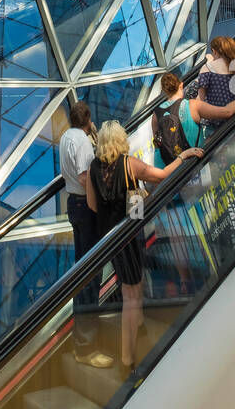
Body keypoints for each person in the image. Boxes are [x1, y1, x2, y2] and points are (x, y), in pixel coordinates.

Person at [85, 119, 203, 371]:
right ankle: (127, 357)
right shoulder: (129, 164)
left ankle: (139, 327)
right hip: (129, 236)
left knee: (132, 287)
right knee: (130, 294)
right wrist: (184, 156)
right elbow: (160, 175)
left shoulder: (94, 168)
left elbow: (92, 206)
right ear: (120, 140)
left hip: (109, 239)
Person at [59, 101, 113, 369]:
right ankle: (86, 346)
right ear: (88, 119)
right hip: (85, 205)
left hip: (73, 206)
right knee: (91, 276)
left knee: (82, 273)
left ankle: (82, 339)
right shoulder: (80, 141)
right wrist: (98, 203)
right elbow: (84, 177)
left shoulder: (66, 137)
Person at [153, 68, 235, 163]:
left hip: (173, 170)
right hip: (196, 161)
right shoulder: (192, 105)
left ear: (164, 91)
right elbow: (226, 112)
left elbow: (158, 145)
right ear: (181, 85)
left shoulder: (156, 114)